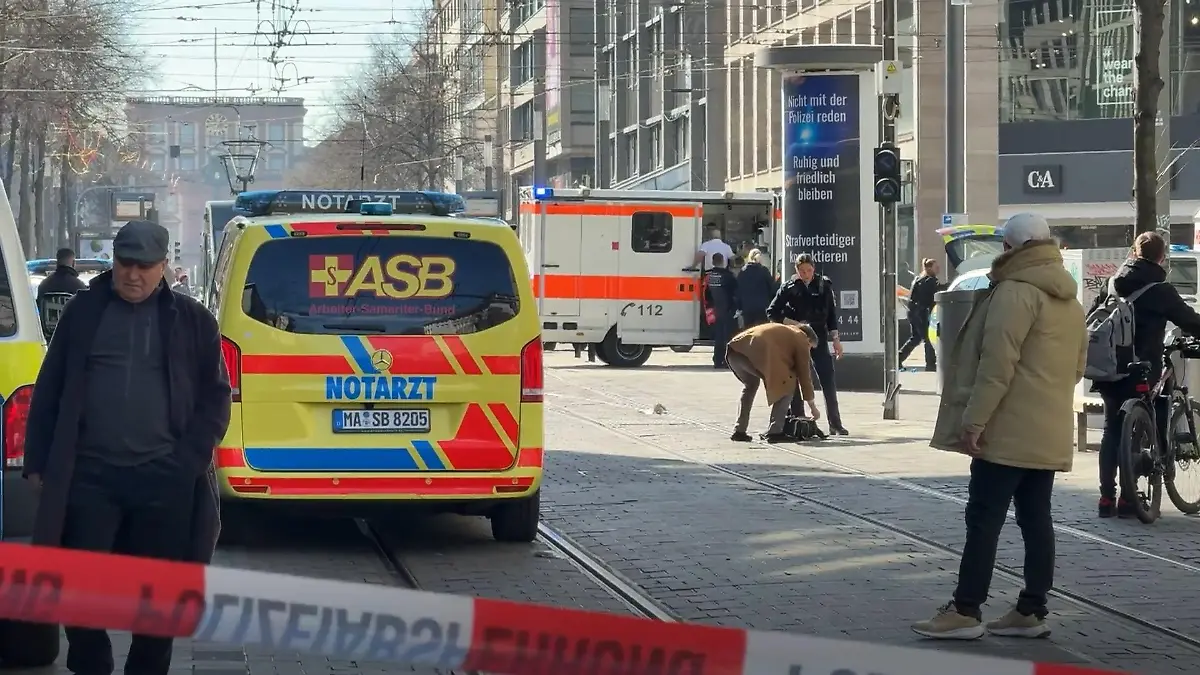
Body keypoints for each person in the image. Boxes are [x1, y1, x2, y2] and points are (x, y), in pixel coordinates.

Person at [22, 220, 232, 675]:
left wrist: (188, 462)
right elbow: (50, 388)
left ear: (164, 268)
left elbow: (216, 398)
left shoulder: (193, 321)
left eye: (144, 266)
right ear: (113, 262)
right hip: (90, 477)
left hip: (164, 478)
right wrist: (37, 460)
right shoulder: (83, 313)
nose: (132, 275)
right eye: (124, 264)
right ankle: (92, 663)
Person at [912, 212, 1086, 640]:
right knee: (1036, 518)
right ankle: (1031, 610)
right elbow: (1077, 368)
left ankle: (965, 610)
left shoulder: (1013, 292)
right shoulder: (1068, 297)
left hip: (1006, 429)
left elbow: (996, 366)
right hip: (1048, 429)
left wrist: (974, 421)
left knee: (984, 518)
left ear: (1008, 248)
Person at [1089, 230, 1200, 517]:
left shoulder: (1112, 283)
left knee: (1111, 431)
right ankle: (1129, 499)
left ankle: (1105, 498)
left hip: (1109, 367)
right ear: (1162, 257)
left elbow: (1092, 317)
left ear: (1134, 252)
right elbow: (1190, 320)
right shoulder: (1160, 289)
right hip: (1143, 368)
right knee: (1138, 428)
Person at [766, 253, 847, 435]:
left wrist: (836, 339)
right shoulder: (789, 287)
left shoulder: (824, 286)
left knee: (827, 378)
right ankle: (800, 419)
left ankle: (835, 423)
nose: (806, 274)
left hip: (818, 335)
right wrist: (794, 324)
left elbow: (831, 315)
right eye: (802, 271)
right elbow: (772, 312)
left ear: (814, 269)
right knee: (798, 377)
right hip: (796, 337)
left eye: (809, 270)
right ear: (796, 270)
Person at [726, 319, 821, 443]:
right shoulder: (801, 337)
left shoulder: (784, 332)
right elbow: (804, 376)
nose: (808, 351)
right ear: (808, 339)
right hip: (755, 354)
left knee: (750, 385)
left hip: (734, 352)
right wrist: (813, 407)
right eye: (810, 347)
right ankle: (775, 431)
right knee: (787, 385)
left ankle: (739, 430)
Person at [899, 258, 947, 372]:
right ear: (929, 268)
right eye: (936, 267)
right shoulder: (929, 280)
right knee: (927, 338)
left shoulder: (919, 278)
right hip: (920, 313)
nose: (938, 269)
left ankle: (898, 359)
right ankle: (930, 364)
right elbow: (936, 292)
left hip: (913, 312)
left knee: (916, 338)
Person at [705, 252, 739, 368]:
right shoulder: (728, 276)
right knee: (727, 336)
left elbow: (707, 294)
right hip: (728, 310)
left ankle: (717, 360)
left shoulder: (709, 276)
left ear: (712, 262)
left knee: (718, 335)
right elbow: (735, 292)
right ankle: (726, 360)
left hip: (716, 310)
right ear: (723, 261)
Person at [737, 249, 778, 328]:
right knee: (762, 330)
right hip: (762, 307)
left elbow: (738, 290)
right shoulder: (764, 271)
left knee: (749, 330)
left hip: (747, 307)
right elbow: (772, 288)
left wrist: (740, 307)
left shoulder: (742, 271)